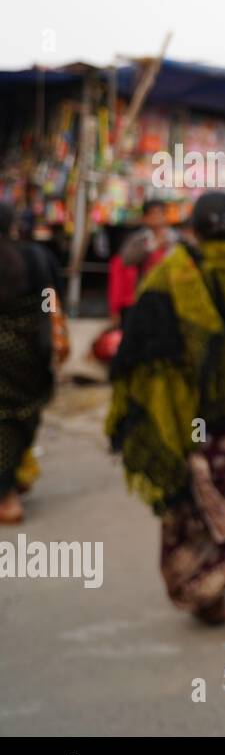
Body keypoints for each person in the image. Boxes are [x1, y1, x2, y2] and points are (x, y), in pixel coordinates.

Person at [106, 191, 225, 624]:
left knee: (190, 503)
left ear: (195, 227)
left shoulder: (174, 272)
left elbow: (143, 347)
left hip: (195, 418)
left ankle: (207, 594)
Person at [0, 202, 58, 524]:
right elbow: (51, 298)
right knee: (20, 419)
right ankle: (11, 484)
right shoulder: (36, 257)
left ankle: (7, 497)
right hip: (29, 354)